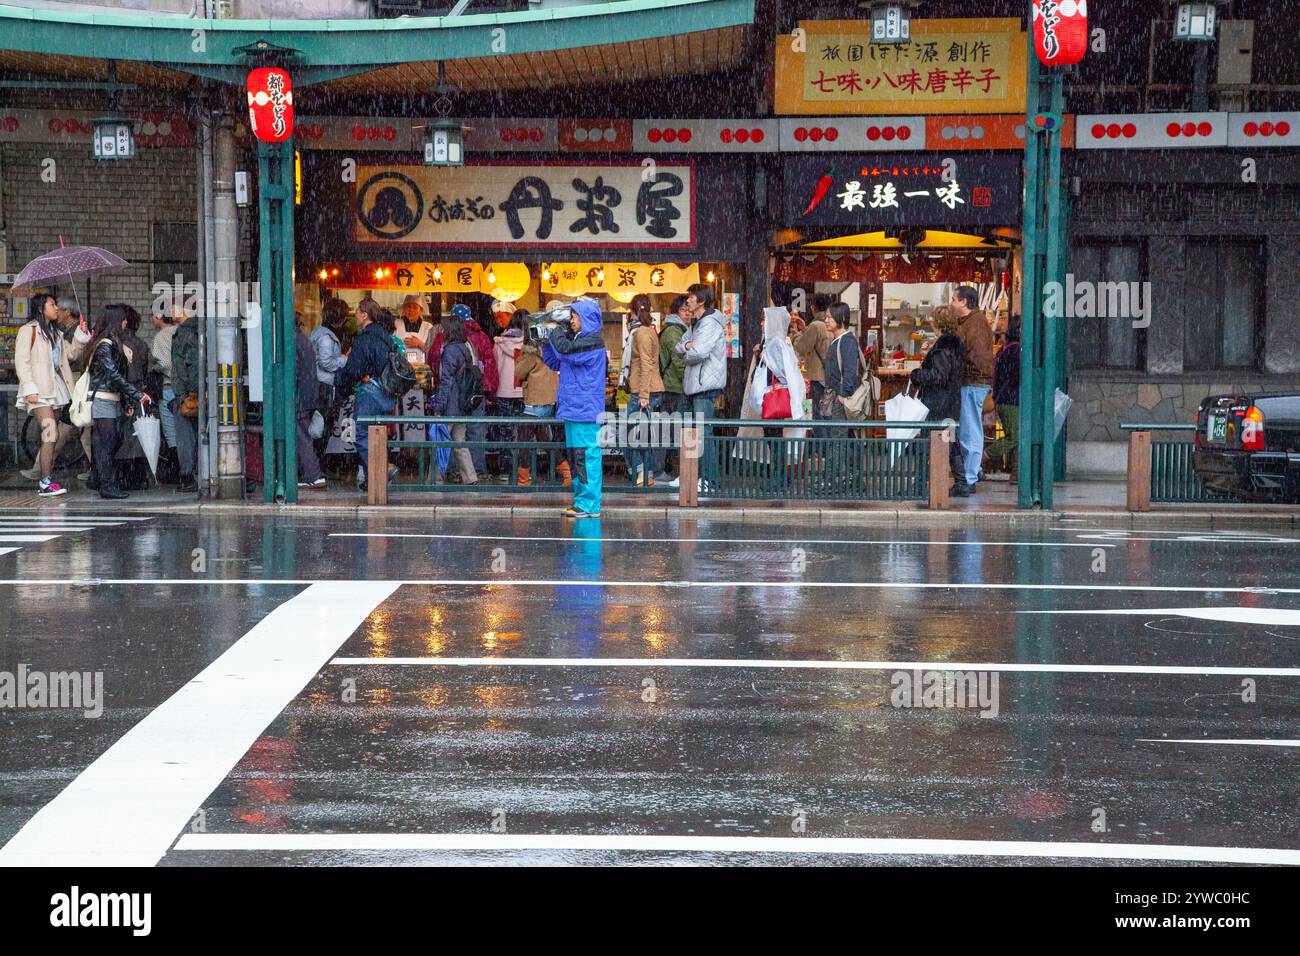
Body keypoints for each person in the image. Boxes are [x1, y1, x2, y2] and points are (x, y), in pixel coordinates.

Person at [14, 292, 91, 496]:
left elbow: (71, 354)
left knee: (52, 436)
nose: (56, 308)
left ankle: (46, 478)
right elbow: (22, 362)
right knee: (50, 433)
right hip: (38, 391)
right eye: (52, 304)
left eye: (56, 305)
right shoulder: (27, 331)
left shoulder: (55, 333)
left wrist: (81, 336)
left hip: (56, 390)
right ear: (41, 308)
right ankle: (45, 481)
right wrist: (29, 388)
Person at [543, 298, 607, 518]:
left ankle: (589, 504)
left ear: (587, 318)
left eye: (575, 316)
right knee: (577, 457)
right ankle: (582, 502)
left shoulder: (592, 341)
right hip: (574, 408)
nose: (571, 320)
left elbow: (564, 351)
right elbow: (555, 361)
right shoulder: (580, 340)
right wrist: (545, 342)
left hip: (584, 409)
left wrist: (554, 332)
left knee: (586, 457)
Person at [86, 304, 149, 500]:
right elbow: (113, 375)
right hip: (103, 399)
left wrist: (126, 402)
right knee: (108, 443)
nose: (125, 323)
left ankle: (103, 481)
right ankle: (106, 484)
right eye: (122, 319)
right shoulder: (105, 345)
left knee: (110, 442)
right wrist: (136, 395)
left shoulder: (112, 343)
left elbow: (117, 375)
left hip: (111, 399)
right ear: (115, 321)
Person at [337, 298, 399, 492]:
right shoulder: (385, 336)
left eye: (357, 311)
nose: (355, 315)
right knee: (377, 434)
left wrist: (340, 381)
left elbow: (354, 369)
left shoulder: (365, 338)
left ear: (365, 315)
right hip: (386, 393)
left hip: (370, 392)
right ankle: (373, 481)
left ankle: (383, 469)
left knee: (361, 433)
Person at [673, 282, 727, 490]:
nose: (688, 300)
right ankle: (690, 475)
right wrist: (688, 346)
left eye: (692, 297)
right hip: (693, 386)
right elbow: (681, 346)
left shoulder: (710, 323)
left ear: (702, 301)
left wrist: (688, 349)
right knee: (689, 431)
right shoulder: (696, 323)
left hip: (704, 386)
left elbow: (699, 353)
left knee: (704, 433)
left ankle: (710, 480)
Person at [910, 306, 968, 496]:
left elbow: (939, 376)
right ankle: (961, 483)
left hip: (937, 403)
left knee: (925, 443)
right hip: (952, 401)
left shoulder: (943, 347)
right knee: (951, 441)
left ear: (938, 324)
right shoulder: (956, 343)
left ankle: (919, 485)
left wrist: (917, 374)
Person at [427, 312, 481, 485]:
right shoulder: (465, 348)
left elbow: (446, 381)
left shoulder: (449, 350)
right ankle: (470, 477)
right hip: (462, 404)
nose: (442, 331)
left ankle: (435, 479)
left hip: (450, 403)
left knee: (440, 442)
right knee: (459, 442)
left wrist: (438, 405)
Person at [951, 285, 994, 494]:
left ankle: (969, 477)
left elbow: (976, 355)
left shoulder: (975, 323)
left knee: (970, 431)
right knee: (969, 430)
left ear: (964, 302)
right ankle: (971, 473)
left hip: (972, 382)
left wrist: (957, 364)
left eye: (954, 299)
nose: (952, 303)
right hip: (972, 382)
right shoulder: (973, 321)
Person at [514, 327, 569, 487]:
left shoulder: (532, 355)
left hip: (534, 402)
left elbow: (518, 373)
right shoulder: (552, 350)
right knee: (545, 439)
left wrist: (521, 357)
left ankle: (523, 479)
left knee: (524, 440)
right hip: (549, 400)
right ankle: (567, 473)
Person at [626, 295, 665, 486]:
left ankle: (641, 471)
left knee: (629, 434)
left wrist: (642, 395)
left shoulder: (641, 333)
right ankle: (646, 473)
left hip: (644, 390)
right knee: (642, 433)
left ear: (633, 312)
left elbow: (645, 363)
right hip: (651, 388)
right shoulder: (650, 331)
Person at [652, 295, 690, 483]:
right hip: (672, 389)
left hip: (673, 387)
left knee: (669, 429)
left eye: (689, 310)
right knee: (666, 430)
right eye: (684, 310)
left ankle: (662, 468)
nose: (688, 314)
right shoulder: (674, 332)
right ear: (676, 312)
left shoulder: (680, 330)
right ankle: (658, 471)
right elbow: (679, 361)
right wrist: (692, 381)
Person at [114, 304, 151, 490]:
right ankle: (138, 475)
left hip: (121, 393)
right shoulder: (142, 345)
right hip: (137, 393)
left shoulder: (116, 343)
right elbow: (144, 371)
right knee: (137, 436)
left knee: (121, 435)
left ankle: (122, 476)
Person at [170, 300, 202, 493]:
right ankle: (198, 472)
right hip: (198, 392)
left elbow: (185, 365)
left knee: (185, 438)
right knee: (199, 435)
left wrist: (186, 392)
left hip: (188, 395)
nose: (170, 311)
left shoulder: (184, 332)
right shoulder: (201, 329)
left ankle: (188, 475)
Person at [493, 309, 527, 482]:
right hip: (523, 391)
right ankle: (524, 470)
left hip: (503, 391)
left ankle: (506, 470)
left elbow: (495, 365)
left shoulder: (499, 343)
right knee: (523, 433)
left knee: (505, 431)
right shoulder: (529, 343)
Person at [986, 316, 1021, 479]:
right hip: (1012, 400)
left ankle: (1016, 472)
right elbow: (1016, 378)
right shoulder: (1017, 352)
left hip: (1003, 399)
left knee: (1016, 436)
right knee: (1015, 437)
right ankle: (984, 455)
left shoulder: (1004, 351)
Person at [793, 292, 832, 434]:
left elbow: (801, 347)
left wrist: (796, 333)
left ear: (813, 308)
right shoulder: (830, 324)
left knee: (817, 415)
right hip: (829, 376)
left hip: (817, 377)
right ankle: (829, 449)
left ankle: (822, 448)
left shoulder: (815, 326)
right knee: (828, 413)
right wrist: (805, 329)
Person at [294, 316, 326, 490]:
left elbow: (294, 371)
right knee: (302, 435)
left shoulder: (292, 341)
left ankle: (314, 475)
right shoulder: (302, 339)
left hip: (299, 396)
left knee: (301, 437)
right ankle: (309, 474)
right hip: (307, 395)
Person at [822, 302, 862, 420]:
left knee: (839, 435)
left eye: (829, 317)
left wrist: (842, 396)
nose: (826, 320)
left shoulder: (847, 340)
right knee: (837, 435)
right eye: (825, 317)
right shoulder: (839, 339)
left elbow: (850, 372)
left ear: (843, 318)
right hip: (835, 397)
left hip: (842, 399)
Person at [150, 303, 180, 460]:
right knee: (184, 429)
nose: (152, 319)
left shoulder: (161, 336)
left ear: (159, 316)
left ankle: (177, 468)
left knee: (171, 431)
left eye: (153, 316)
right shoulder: (179, 331)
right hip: (184, 389)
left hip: (169, 388)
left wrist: (154, 367)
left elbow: (165, 364)